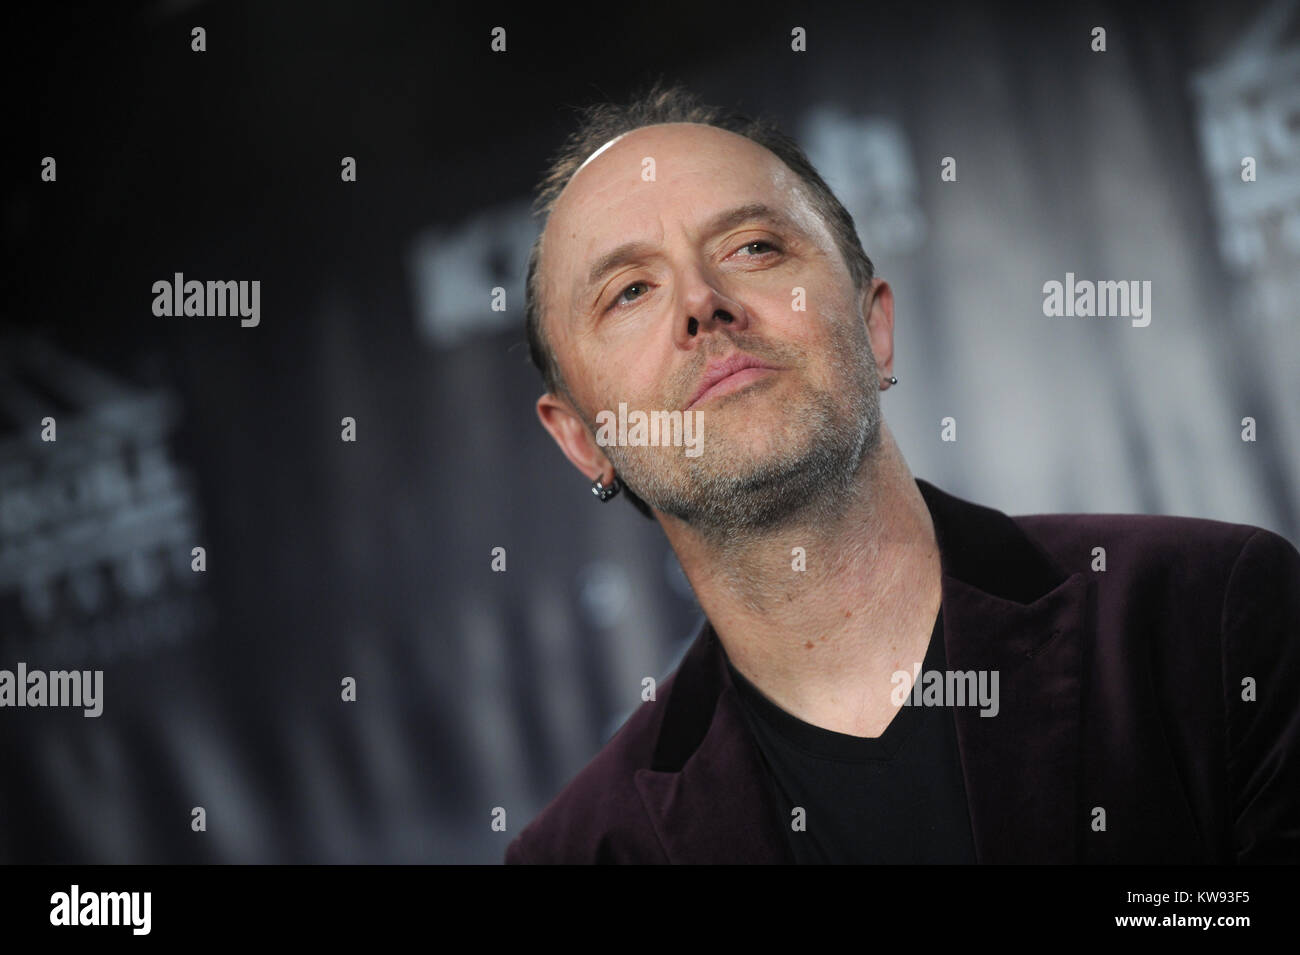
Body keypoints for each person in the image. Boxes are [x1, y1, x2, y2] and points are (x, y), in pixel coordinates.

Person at [505, 82, 1300, 864]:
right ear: (583, 440)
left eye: (754, 247)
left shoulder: (1214, 617)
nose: (703, 302)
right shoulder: (584, 853)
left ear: (875, 324)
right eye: (630, 290)